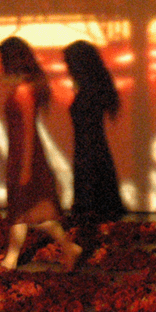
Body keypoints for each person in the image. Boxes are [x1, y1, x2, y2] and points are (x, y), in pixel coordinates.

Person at [0, 36, 81, 271]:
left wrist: (24, 168)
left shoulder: (24, 90)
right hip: (22, 155)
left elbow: (28, 131)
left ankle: (11, 259)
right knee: (30, 211)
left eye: (3, 59)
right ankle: (65, 248)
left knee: (22, 210)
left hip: (26, 156)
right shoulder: (23, 86)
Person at [62, 40, 126, 222]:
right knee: (98, 206)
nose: (67, 67)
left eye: (69, 62)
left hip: (88, 151)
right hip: (92, 150)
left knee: (91, 204)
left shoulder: (89, 90)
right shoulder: (94, 87)